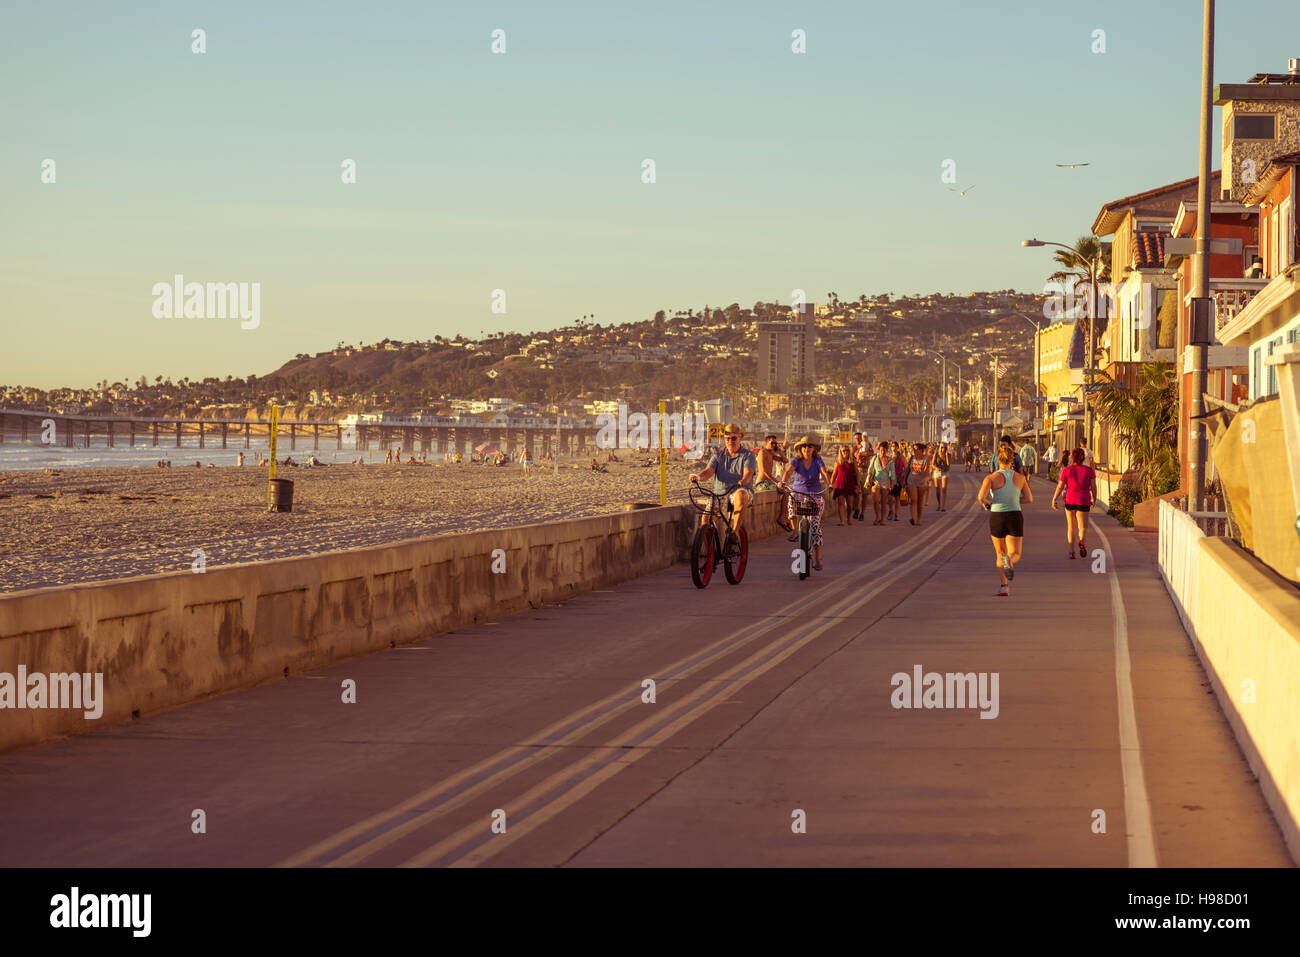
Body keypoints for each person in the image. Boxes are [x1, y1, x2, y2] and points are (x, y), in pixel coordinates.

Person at [978, 444, 1033, 597]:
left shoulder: (990, 478)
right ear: (1012, 459)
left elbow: (981, 497)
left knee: (999, 553)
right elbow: (1029, 499)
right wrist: (1015, 500)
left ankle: (1004, 587)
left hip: (997, 516)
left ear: (997, 459)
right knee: (1015, 553)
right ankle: (1009, 560)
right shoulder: (1020, 478)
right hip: (1014, 514)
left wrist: (987, 504)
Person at [689, 422, 755, 534]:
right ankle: (707, 547)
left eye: (733, 438)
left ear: (740, 438)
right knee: (706, 519)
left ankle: (734, 533)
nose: (730, 441)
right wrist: (698, 477)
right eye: (727, 438)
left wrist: (743, 482)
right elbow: (708, 471)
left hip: (739, 491)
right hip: (720, 493)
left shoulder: (748, 455)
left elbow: (748, 474)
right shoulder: (718, 456)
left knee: (741, 495)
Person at [780, 434, 831, 571]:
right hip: (799, 493)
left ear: (814, 449)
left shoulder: (817, 460)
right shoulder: (797, 460)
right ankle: (795, 530)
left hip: (815, 494)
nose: (807, 448)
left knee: (815, 525)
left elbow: (824, 472)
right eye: (804, 446)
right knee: (791, 501)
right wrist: (783, 482)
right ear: (800, 449)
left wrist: (829, 482)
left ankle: (818, 558)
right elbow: (788, 471)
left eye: (810, 446)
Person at [1052, 447, 1098, 559]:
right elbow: (1093, 486)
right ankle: (1081, 542)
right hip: (1084, 500)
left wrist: (1054, 499)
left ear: (1072, 458)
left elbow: (1060, 486)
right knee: (1082, 527)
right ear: (1083, 458)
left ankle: (1071, 552)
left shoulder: (1067, 470)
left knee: (1071, 527)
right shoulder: (1089, 471)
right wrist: (1094, 498)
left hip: (1070, 500)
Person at [755, 435, 791, 531]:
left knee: (787, 491)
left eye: (775, 443)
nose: (774, 445)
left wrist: (779, 452)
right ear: (766, 443)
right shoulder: (762, 453)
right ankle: (782, 518)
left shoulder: (771, 453)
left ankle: (784, 517)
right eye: (772, 443)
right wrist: (776, 482)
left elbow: (785, 460)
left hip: (769, 482)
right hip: (762, 482)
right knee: (785, 491)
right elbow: (764, 472)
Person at [866, 440, 894, 525]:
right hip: (876, 481)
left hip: (885, 482)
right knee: (876, 500)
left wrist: (892, 483)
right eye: (881, 450)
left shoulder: (890, 460)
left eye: (884, 450)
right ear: (879, 450)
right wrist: (869, 479)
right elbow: (870, 470)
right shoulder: (874, 458)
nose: (882, 452)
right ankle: (877, 517)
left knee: (883, 502)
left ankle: (882, 519)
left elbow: (892, 473)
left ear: (886, 451)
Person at [906, 442, 933, 526]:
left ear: (921, 450)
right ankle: (912, 518)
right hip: (912, 480)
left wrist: (922, 478)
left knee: (920, 501)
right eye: (913, 449)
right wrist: (904, 480)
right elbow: (907, 469)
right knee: (914, 500)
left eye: (916, 449)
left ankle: (919, 519)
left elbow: (926, 471)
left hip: (922, 481)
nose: (914, 450)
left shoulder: (926, 458)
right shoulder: (912, 458)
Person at [831, 444, 859, 526]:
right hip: (840, 484)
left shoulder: (852, 461)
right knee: (841, 503)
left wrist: (858, 485)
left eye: (847, 450)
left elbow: (857, 473)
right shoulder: (837, 462)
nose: (845, 452)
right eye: (844, 451)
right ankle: (842, 521)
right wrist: (830, 484)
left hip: (850, 484)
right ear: (840, 452)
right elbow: (834, 474)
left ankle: (849, 518)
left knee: (850, 505)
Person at [932, 441, 952, 511]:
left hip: (945, 472)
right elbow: (932, 464)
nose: (943, 448)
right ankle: (939, 504)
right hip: (937, 472)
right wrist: (936, 468)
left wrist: (946, 455)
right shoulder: (936, 454)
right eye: (942, 447)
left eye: (945, 447)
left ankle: (943, 507)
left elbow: (948, 464)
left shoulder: (949, 455)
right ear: (940, 447)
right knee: (937, 490)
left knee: (944, 489)